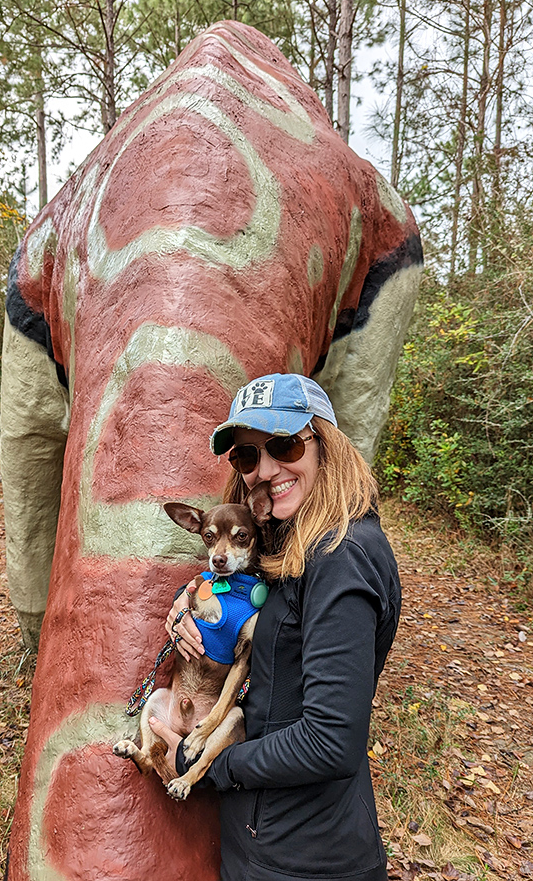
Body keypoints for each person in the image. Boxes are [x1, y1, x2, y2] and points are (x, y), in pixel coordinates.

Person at [149, 373, 401, 881]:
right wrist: (190, 608)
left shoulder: (342, 558)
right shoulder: (289, 543)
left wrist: (206, 765)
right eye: (246, 456)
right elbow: (257, 624)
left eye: (283, 445)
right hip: (260, 841)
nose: (264, 470)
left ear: (323, 445)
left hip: (308, 858)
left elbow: (329, 741)